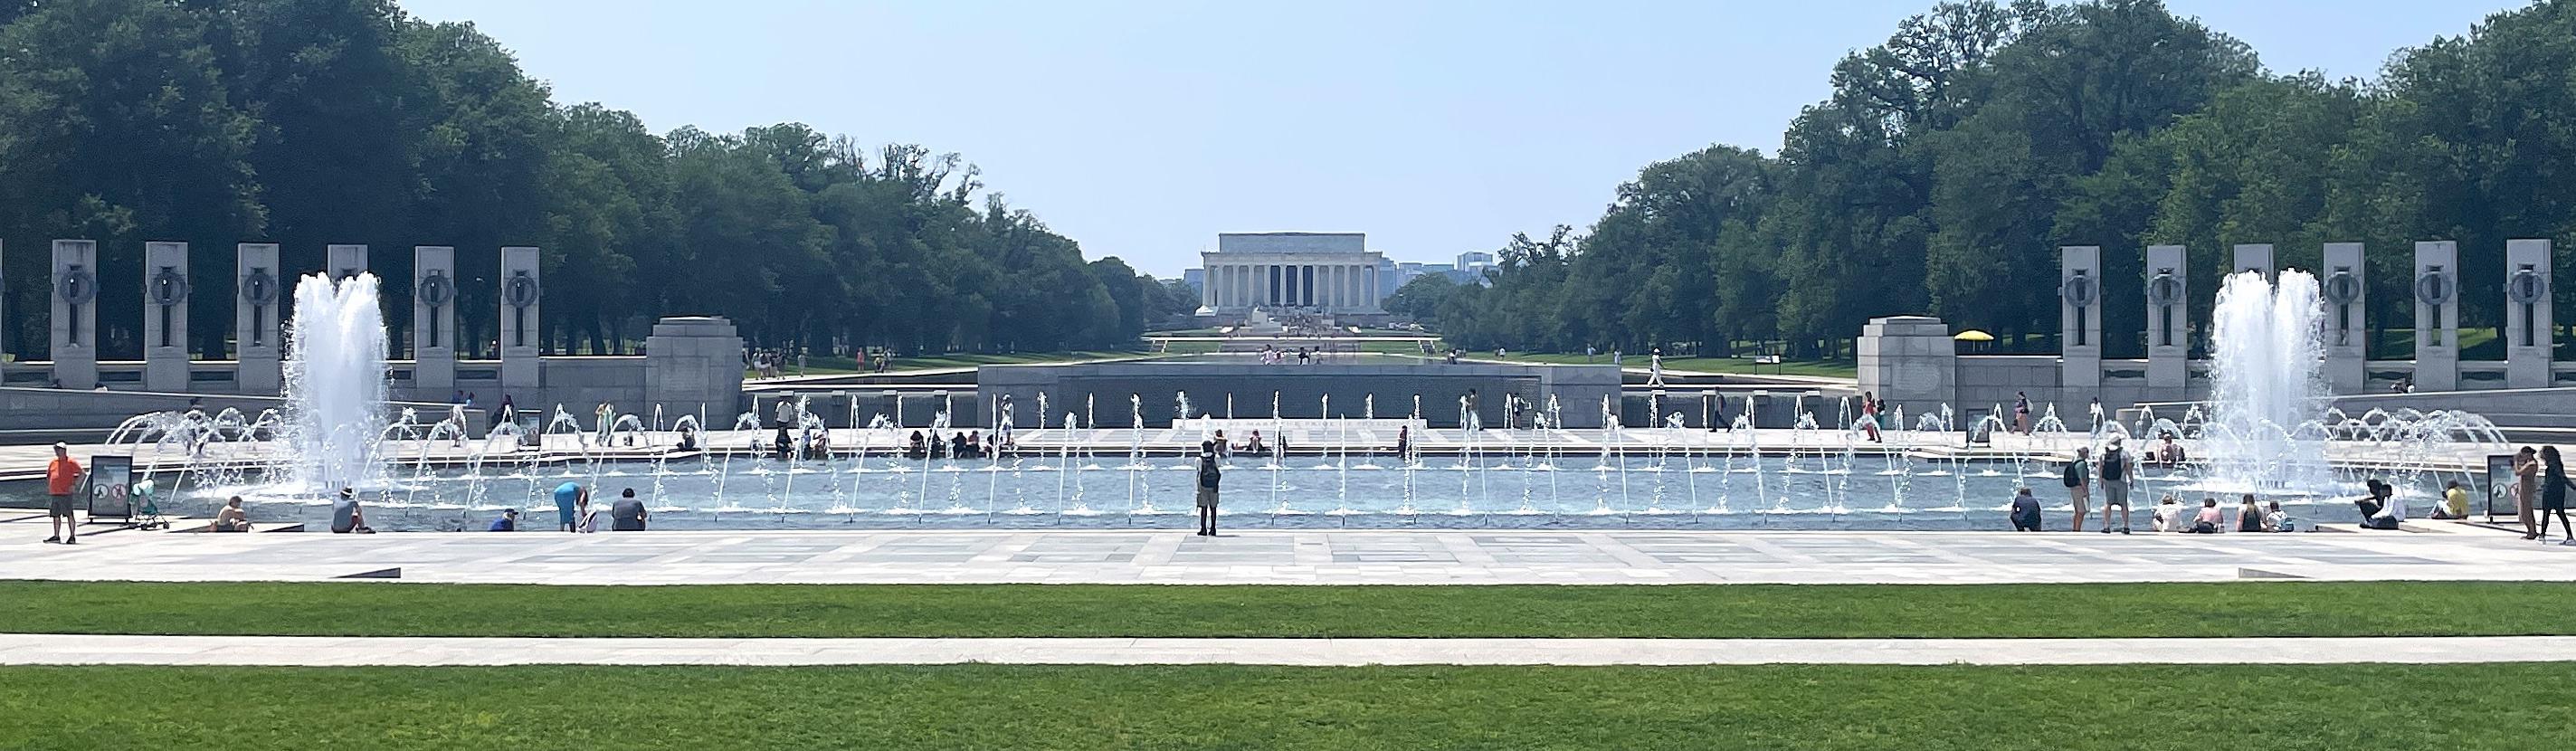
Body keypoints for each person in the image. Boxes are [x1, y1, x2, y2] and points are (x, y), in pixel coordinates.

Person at [43, 443, 81, 545]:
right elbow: (49, 475)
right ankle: (56, 535)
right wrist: (50, 485)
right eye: (56, 449)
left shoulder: (71, 462)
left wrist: (75, 485)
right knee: (55, 515)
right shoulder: (53, 462)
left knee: (69, 514)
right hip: (55, 492)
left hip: (65, 493)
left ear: (64, 450)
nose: (57, 451)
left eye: (59, 449)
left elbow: (82, 473)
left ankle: (72, 536)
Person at [2097, 436, 2134, 533]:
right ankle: (2126, 526)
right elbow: (2128, 468)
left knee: (2108, 504)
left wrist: (2101, 481)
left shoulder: (2104, 453)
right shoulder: (2124, 453)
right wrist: (2131, 479)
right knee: (2123, 504)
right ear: (2119, 442)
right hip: (2121, 480)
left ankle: (2106, 526)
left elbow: (2100, 468)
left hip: (2108, 481)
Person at [2542, 447, 2575, 544]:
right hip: (2558, 491)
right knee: (2560, 513)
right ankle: (2569, 535)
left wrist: (2573, 486)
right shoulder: (2557, 464)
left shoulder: (2554, 465)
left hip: (2551, 492)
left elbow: (2561, 477)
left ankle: (2543, 534)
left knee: (2547, 513)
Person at [1193, 441, 1222, 536]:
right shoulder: (1216, 458)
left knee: (1203, 508)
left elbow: (1198, 471)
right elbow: (1218, 469)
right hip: (1214, 486)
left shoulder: (1199, 459)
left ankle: (1203, 529)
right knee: (1213, 508)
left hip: (1203, 486)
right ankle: (1213, 528)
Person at [2062, 447, 2091, 533]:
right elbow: (2082, 479)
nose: (2088, 454)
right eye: (2087, 452)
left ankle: (2075, 527)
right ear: (2084, 453)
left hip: (2074, 488)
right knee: (2081, 511)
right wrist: (2086, 490)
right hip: (2079, 488)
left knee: (2077, 510)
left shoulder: (2075, 462)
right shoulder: (2081, 464)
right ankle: (2077, 529)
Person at [2516, 446, 2543, 539]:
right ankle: (2530, 530)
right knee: (2524, 511)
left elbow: (2518, 472)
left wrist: (2516, 462)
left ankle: (2532, 531)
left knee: (2527, 511)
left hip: (2527, 488)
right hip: (2524, 487)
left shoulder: (2531, 464)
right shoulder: (2528, 463)